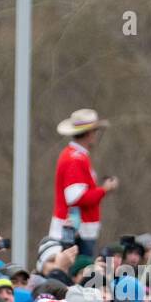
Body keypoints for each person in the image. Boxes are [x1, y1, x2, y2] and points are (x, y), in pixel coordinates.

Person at [48, 109, 118, 257]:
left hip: (77, 232)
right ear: (89, 133)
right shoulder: (75, 158)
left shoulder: (77, 156)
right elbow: (75, 197)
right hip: (75, 234)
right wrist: (104, 189)